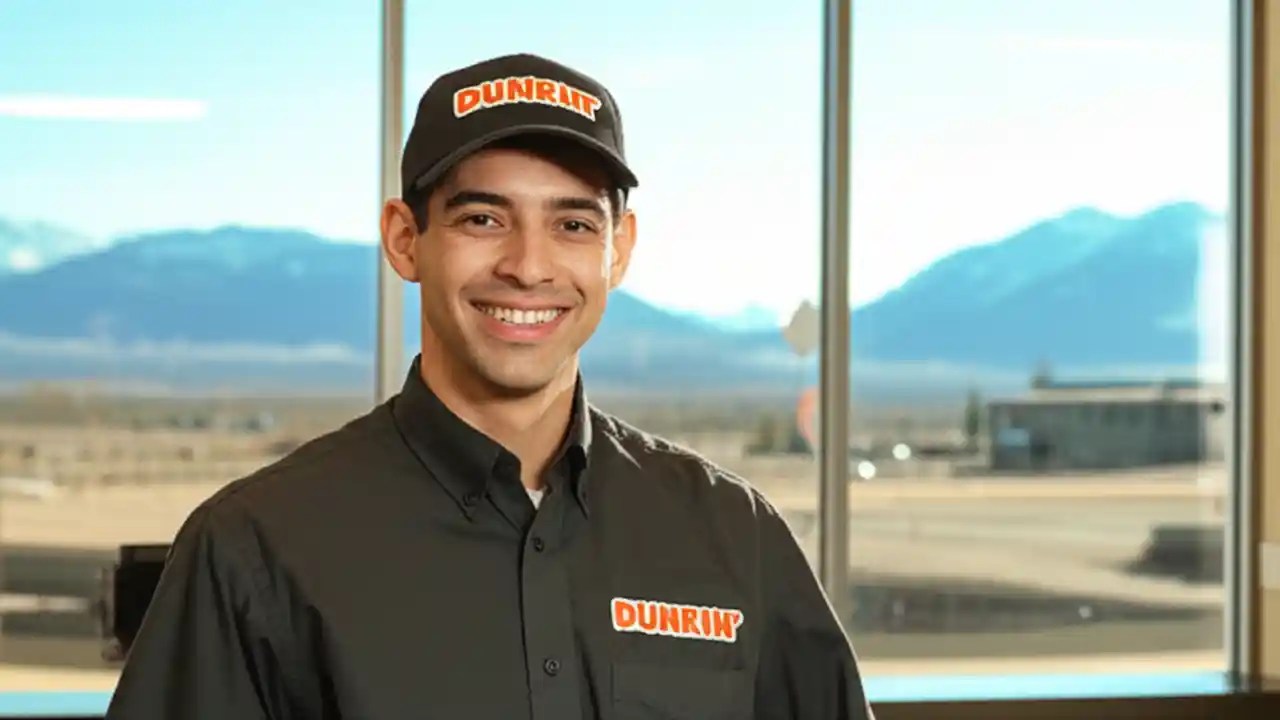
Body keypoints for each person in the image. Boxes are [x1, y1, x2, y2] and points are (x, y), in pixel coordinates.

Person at [105, 52, 874, 720]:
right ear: (406, 240)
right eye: (482, 219)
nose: (529, 266)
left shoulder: (733, 538)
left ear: (620, 250)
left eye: (573, 225)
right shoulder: (256, 551)